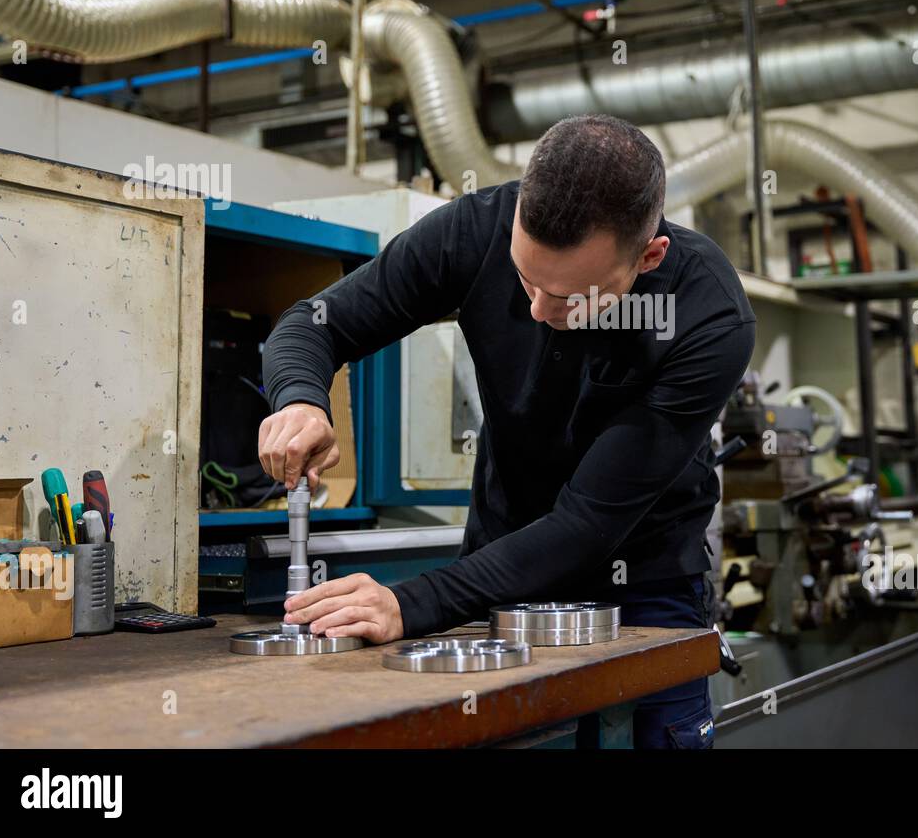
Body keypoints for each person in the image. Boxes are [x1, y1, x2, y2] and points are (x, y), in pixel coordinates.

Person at [258, 113, 755, 748]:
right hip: (499, 570)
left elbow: (587, 524)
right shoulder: (474, 231)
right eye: (525, 280)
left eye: (574, 299)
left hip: (647, 582)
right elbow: (313, 323)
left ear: (649, 256)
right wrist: (302, 400)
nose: (539, 312)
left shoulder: (706, 315)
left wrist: (413, 603)